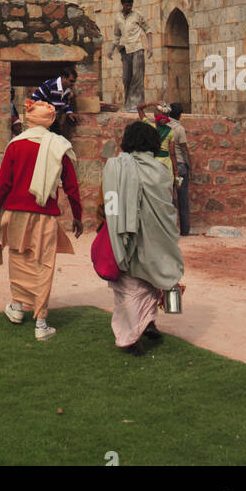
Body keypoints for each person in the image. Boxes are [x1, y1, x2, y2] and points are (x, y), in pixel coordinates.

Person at [0, 99, 83, 341]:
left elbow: (3, 184)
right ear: (50, 120)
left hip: (16, 211)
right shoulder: (57, 146)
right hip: (45, 213)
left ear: (29, 119)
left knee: (19, 258)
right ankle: (40, 323)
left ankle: (17, 307)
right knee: (43, 264)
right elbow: (71, 185)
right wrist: (78, 216)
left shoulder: (15, 146)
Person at [99, 119, 184, 355]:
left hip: (126, 236)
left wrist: (117, 225)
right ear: (153, 143)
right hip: (154, 240)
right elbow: (167, 209)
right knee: (145, 282)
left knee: (130, 288)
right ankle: (135, 333)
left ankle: (139, 329)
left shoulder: (115, 167)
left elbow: (110, 203)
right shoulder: (160, 171)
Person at [107, 0, 152, 110]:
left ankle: (137, 105)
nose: (129, 8)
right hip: (125, 50)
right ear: (123, 5)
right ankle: (128, 105)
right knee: (126, 79)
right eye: (127, 5)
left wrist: (150, 47)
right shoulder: (118, 18)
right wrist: (111, 50)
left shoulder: (137, 15)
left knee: (137, 78)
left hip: (137, 49)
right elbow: (116, 35)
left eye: (130, 6)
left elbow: (148, 30)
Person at [29, 65, 78, 134]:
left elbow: (64, 103)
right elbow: (34, 98)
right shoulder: (49, 85)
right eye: (71, 81)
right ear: (64, 78)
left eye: (74, 81)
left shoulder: (68, 89)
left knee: (56, 138)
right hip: (42, 119)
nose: (73, 84)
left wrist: (69, 112)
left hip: (52, 119)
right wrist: (47, 111)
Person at [169, 102, 191, 236]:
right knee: (183, 198)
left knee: (168, 199)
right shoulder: (179, 129)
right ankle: (185, 229)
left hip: (167, 166)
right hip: (180, 165)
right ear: (180, 115)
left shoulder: (164, 127)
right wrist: (190, 165)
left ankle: (169, 230)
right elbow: (184, 149)